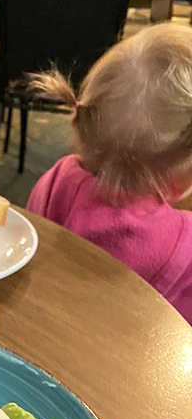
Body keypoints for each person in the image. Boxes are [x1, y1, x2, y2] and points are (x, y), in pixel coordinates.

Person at [26, 23, 192, 325]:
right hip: (128, 368)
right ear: (181, 177)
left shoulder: (54, 180)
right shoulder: (184, 244)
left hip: (44, 333)